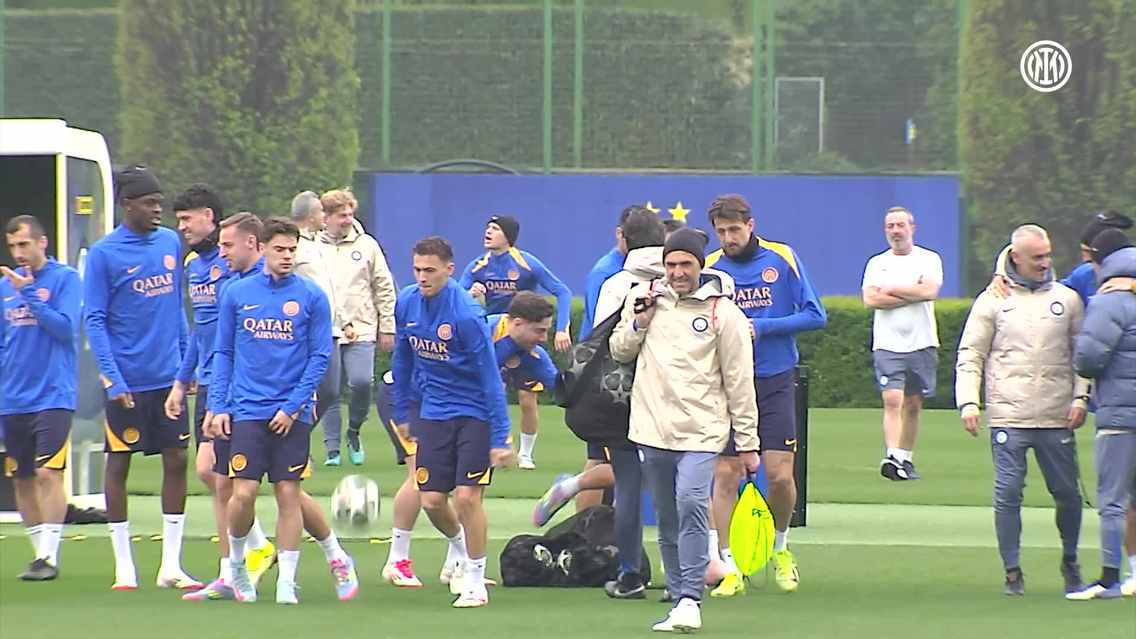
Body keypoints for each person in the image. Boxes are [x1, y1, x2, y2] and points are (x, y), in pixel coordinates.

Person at [186, 213, 358, 603]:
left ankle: (287, 582)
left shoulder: (311, 296)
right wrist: (218, 405)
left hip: (292, 412)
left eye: (292, 250)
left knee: (288, 491)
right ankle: (236, 569)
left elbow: (319, 357)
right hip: (247, 409)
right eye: (279, 249)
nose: (286, 256)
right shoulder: (237, 293)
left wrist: (294, 406)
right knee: (242, 491)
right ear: (262, 249)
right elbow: (223, 352)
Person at [610, 227, 760, 632]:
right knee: (667, 516)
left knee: (692, 502)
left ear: (700, 266)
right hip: (652, 427)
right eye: (671, 264)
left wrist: (748, 442)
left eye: (685, 264)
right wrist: (639, 321)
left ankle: (691, 598)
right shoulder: (645, 299)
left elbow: (739, 380)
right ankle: (679, 598)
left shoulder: (723, 312)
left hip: (703, 428)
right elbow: (619, 350)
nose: (677, 272)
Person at [703, 194, 827, 596]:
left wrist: (761, 327)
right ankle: (729, 566)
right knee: (726, 474)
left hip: (775, 381)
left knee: (780, 477)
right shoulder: (710, 268)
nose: (728, 238)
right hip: (727, 385)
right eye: (721, 231)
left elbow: (816, 315)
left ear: (751, 225)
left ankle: (780, 548)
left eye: (734, 230)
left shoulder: (781, 258)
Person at [956, 224, 1088, 597]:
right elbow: (971, 354)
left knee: (1068, 494)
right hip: (1009, 415)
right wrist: (969, 401)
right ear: (1015, 257)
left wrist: (1080, 398)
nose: (1045, 263)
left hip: (1056, 414)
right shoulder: (992, 300)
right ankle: (1012, 571)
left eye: (1047, 255)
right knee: (1008, 493)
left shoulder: (1067, 299)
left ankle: (1070, 560)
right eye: (1037, 257)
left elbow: (1082, 355)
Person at [84, 166, 198, 591]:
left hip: (168, 378)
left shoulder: (169, 242)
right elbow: (95, 319)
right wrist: (113, 378)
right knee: (120, 462)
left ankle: (171, 565)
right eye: (149, 203)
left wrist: (186, 368)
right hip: (127, 381)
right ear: (127, 205)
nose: (157, 210)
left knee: (177, 459)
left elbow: (176, 308)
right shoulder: (105, 254)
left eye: (159, 203)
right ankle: (124, 566)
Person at [165, 189, 277, 593]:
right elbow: (202, 328)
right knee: (214, 474)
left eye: (187, 219)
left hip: (236, 386)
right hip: (211, 381)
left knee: (227, 475)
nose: (181, 227)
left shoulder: (239, 269)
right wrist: (182, 380)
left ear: (209, 217)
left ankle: (240, 564)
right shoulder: (194, 266)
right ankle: (247, 554)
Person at [392, 236, 514, 608]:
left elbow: (490, 376)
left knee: (466, 498)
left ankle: (475, 581)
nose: (422, 277)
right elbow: (402, 359)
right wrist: (402, 411)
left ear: (449, 269)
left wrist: (501, 435)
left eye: (430, 270)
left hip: (474, 413)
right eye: (417, 270)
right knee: (431, 500)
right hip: (433, 412)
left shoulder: (466, 314)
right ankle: (461, 550)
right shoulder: (407, 302)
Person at [0, 215, 81, 581]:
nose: (18, 253)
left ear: (42, 242)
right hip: (13, 397)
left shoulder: (65, 279)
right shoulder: (4, 287)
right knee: (22, 477)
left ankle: (50, 555)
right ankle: (39, 555)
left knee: (49, 472)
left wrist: (30, 294)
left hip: (53, 394)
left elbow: (65, 328)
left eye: (24, 244)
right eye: (12, 246)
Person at [460, 215, 573, 470]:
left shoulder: (526, 263)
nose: (488, 232)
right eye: (487, 227)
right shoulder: (478, 266)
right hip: (496, 335)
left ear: (509, 236)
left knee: (527, 398)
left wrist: (562, 329)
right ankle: (494, 447)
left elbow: (562, 290)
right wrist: (469, 294)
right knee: (492, 390)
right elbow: (455, 298)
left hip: (525, 338)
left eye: (495, 228)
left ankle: (526, 454)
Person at [1069, 229, 1136, 600]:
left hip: (1120, 414)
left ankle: (1109, 579)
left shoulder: (1110, 300)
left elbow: (1089, 359)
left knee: (1113, 500)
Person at [861, 206, 943, 481]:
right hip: (887, 344)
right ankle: (893, 456)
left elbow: (930, 291)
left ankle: (905, 458)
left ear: (912, 228)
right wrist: (912, 292)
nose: (895, 231)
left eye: (900, 225)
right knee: (892, 398)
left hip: (922, 342)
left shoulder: (929, 259)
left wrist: (891, 289)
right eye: (890, 226)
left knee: (914, 403)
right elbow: (871, 299)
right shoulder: (877, 263)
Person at [318, 188, 397, 466]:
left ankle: (353, 431)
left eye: (350, 214)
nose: (347, 220)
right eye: (341, 215)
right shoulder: (313, 247)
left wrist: (387, 326)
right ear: (325, 217)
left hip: (361, 326)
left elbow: (384, 286)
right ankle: (332, 449)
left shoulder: (367, 245)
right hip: (325, 329)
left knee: (362, 382)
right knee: (330, 389)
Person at [290, 191, 345, 466]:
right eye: (321, 211)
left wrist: (343, 319)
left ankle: (294, 437)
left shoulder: (320, 244)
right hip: (305, 330)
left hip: (331, 328)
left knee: (331, 390)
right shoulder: (294, 246)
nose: (325, 216)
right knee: (312, 388)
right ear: (310, 215)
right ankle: (293, 443)